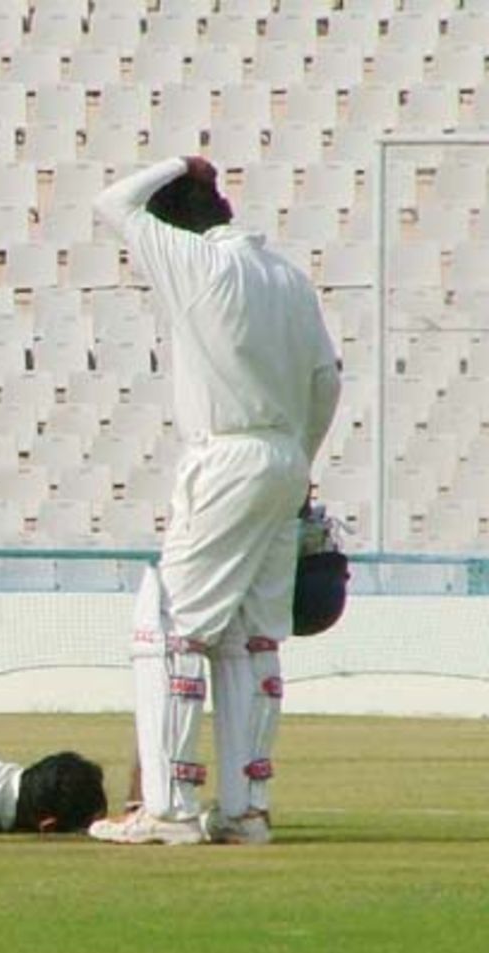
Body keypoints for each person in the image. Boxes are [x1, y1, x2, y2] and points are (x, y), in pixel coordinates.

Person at [87, 156, 341, 847]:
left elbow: (113, 203)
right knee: (251, 639)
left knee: (172, 628)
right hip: (286, 457)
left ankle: (167, 810)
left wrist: (178, 164)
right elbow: (326, 382)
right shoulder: (288, 278)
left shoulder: (198, 264)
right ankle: (246, 810)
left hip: (225, 457)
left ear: (177, 220)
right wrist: (299, 467)